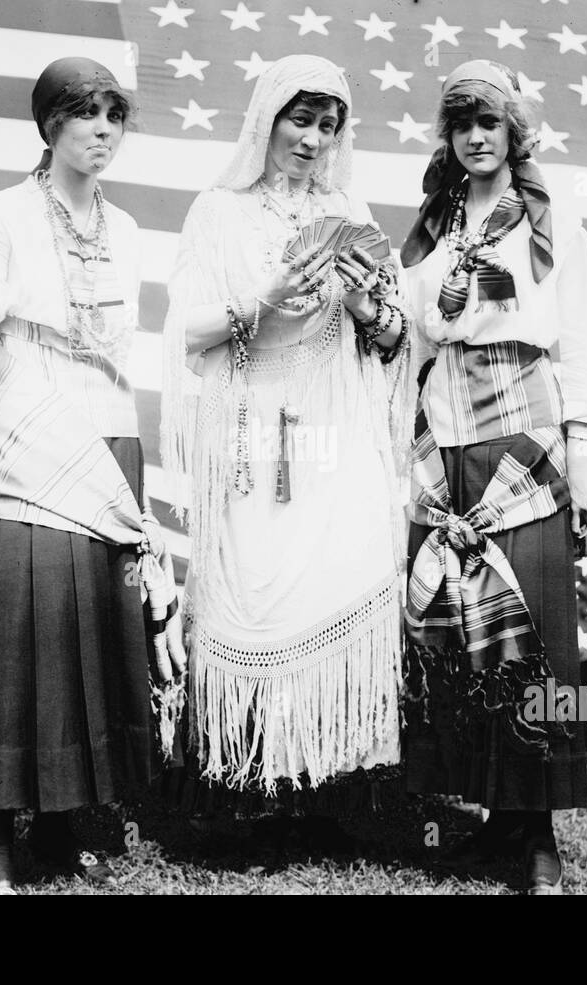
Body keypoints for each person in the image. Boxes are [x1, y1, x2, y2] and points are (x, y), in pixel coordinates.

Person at [0, 57, 182, 894]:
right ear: (49, 125)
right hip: (28, 440)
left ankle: (60, 815)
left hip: (106, 443)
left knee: (89, 638)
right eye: (86, 114)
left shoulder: (131, 233)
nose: (104, 130)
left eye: (116, 115)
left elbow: (124, 355)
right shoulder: (0, 219)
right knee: (24, 643)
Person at [160, 54, 412, 824]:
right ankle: (248, 780)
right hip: (253, 426)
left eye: (328, 125)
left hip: (336, 424)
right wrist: (259, 300)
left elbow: (397, 336)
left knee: (346, 570)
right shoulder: (219, 212)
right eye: (299, 120)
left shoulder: (350, 206)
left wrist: (371, 309)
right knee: (257, 589)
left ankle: (333, 780)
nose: (312, 139)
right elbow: (186, 334)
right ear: (267, 120)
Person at [398, 60, 587, 894]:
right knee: (465, 632)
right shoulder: (433, 227)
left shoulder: (552, 225)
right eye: (461, 123)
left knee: (534, 636)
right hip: (446, 445)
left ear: (514, 131)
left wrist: (584, 456)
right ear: (447, 137)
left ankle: (538, 832)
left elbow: (579, 343)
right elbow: (418, 335)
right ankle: (492, 816)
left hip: (524, 445)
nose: (476, 136)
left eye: (490, 122)